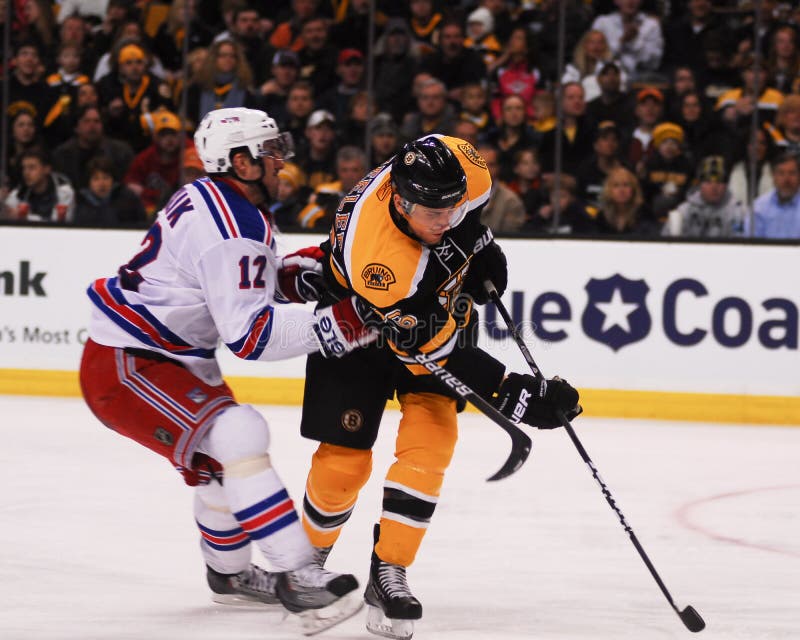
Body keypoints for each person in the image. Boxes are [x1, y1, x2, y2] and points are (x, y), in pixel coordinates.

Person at [78, 107, 373, 634]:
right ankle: (298, 572)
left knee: (220, 463)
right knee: (238, 433)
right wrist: (343, 324)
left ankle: (230, 575)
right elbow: (250, 335)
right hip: (130, 363)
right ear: (241, 161)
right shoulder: (236, 225)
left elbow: (225, 282)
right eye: (271, 151)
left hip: (158, 356)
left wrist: (290, 277)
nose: (281, 160)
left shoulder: (218, 198)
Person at [297, 135, 581, 639]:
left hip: (435, 310)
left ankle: (389, 570)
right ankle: (305, 564)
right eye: (434, 213)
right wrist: (515, 394)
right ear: (402, 202)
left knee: (432, 441)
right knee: (344, 462)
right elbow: (436, 348)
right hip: (358, 322)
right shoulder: (380, 261)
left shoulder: (461, 169)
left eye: (453, 207)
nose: (446, 220)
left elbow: (468, 216)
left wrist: (480, 246)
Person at [662, 156, 748, 237]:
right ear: (700, 185)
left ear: (726, 185)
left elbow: (742, 243)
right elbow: (667, 242)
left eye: (719, 182)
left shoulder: (739, 212)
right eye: (708, 182)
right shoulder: (684, 211)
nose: (714, 187)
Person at [749, 152, 800, 238]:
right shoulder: (759, 208)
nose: (787, 179)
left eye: (792, 173)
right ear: (773, 177)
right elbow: (751, 244)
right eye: (781, 173)